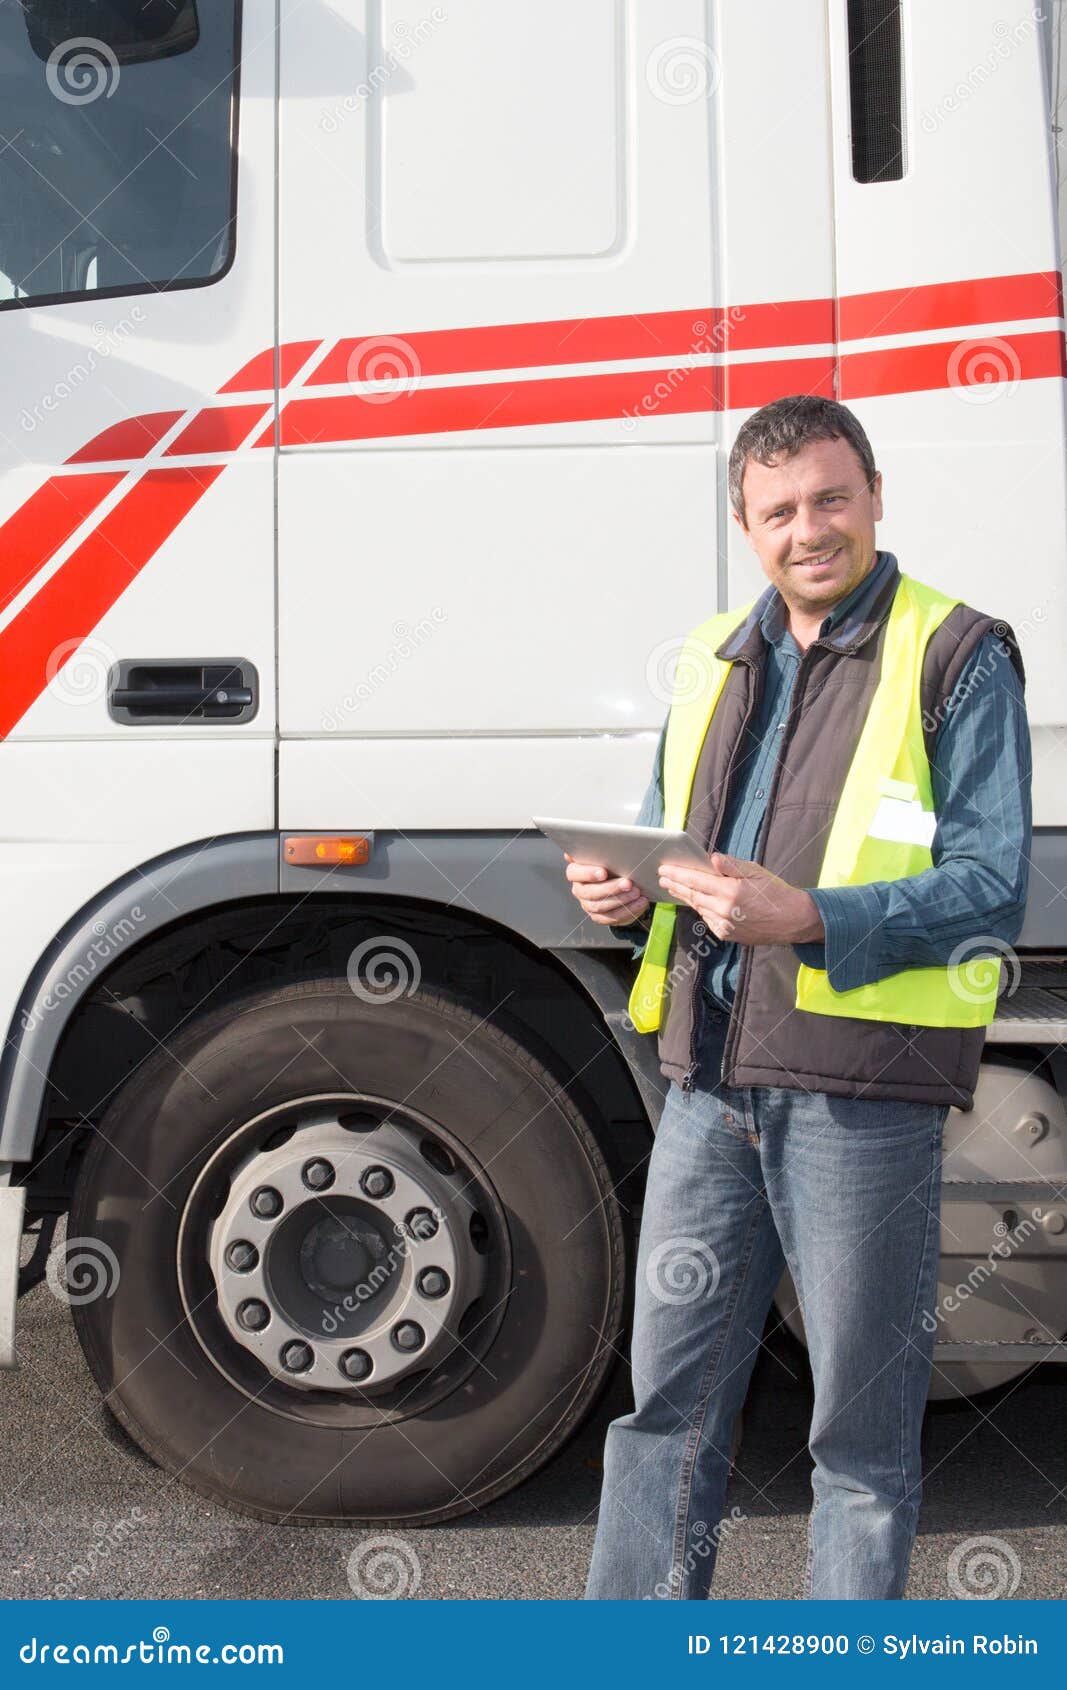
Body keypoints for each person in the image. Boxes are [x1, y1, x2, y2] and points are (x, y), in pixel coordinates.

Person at [567, 394, 1032, 1600]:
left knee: (857, 1440)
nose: (807, 528)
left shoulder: (955, 652)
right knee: (662, 1410)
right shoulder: (717, 655)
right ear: (744, 523)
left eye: (829, 498)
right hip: (707, 1080)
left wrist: (815, 917)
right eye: (777, 510)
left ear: (874, 495)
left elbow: (992, 882)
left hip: (858, 1089)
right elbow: (680, 841)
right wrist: (622, 891)